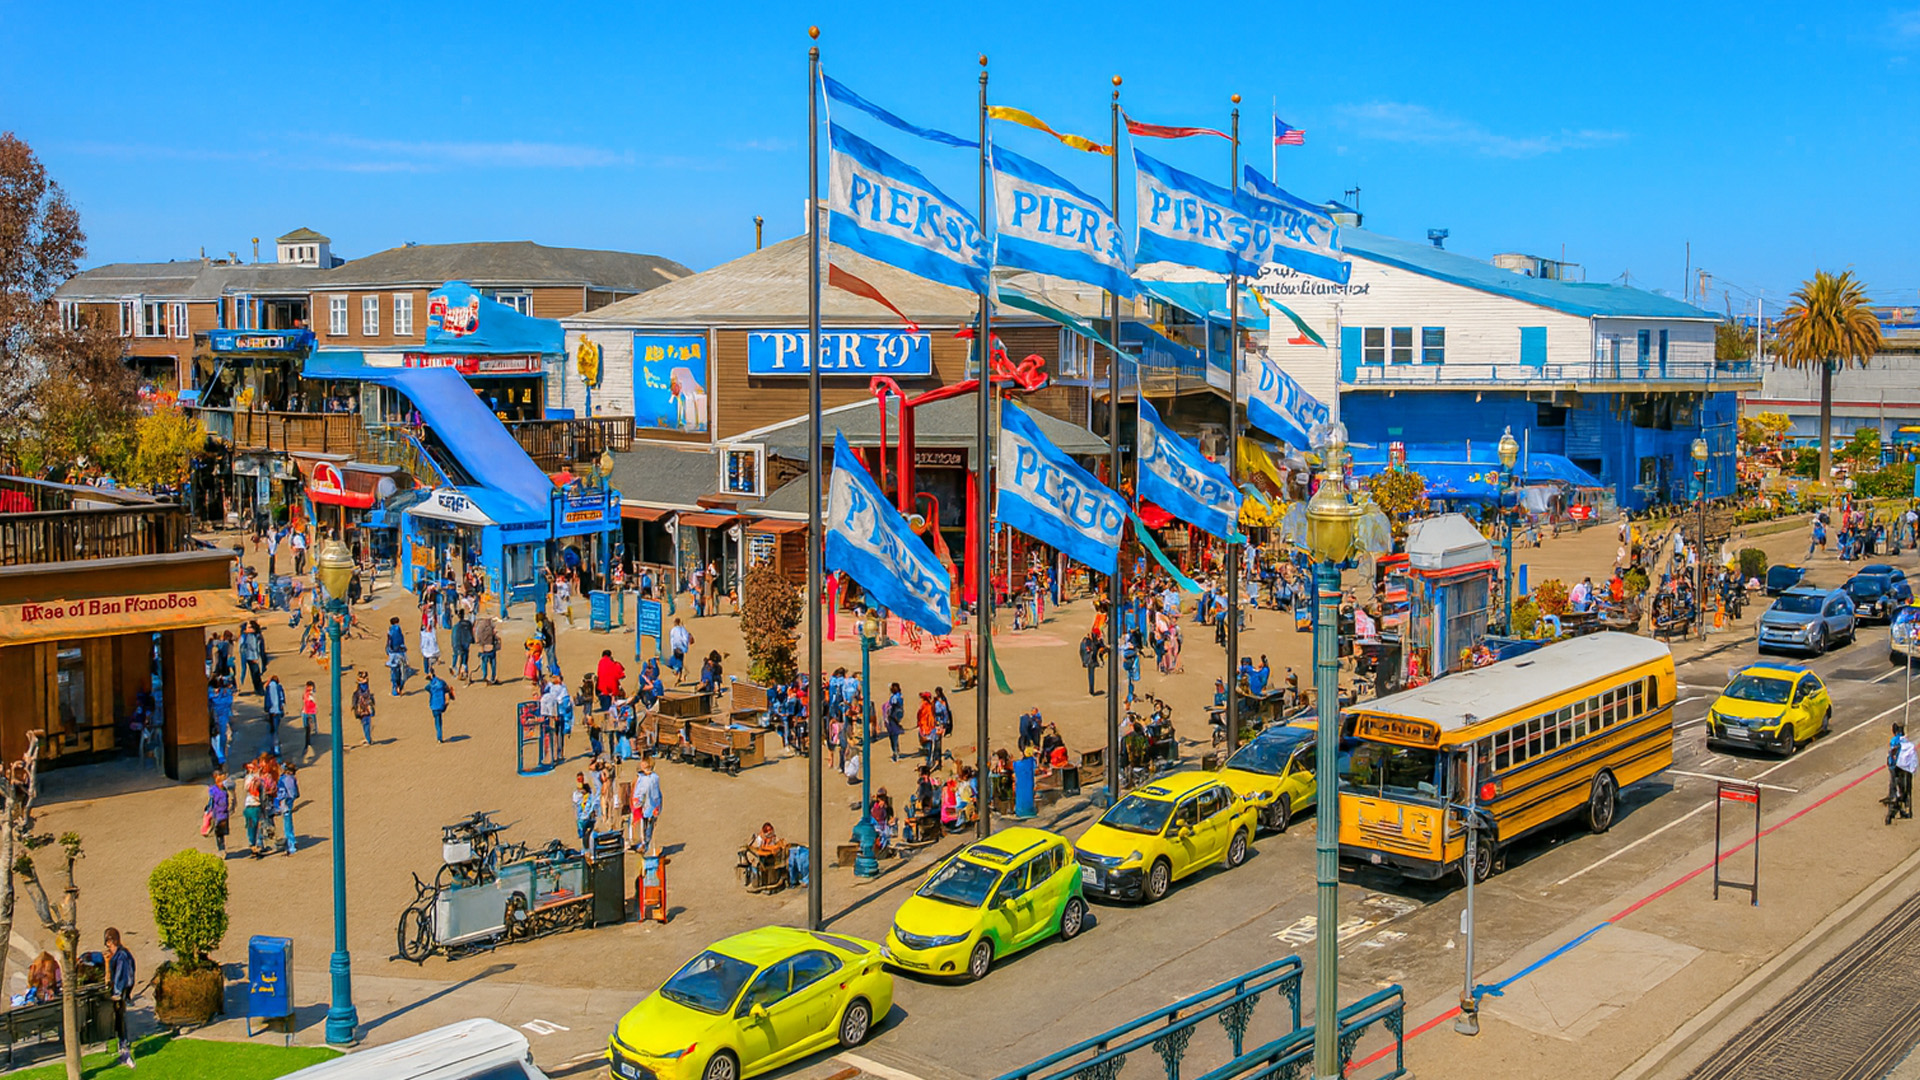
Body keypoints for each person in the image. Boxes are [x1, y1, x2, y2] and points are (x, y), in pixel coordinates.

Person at [105, 927, 135, 1066]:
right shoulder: (119, 954)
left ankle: (125, 1052)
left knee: (120, 1022)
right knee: (119, 1022)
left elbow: (121, 976)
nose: (109, 947)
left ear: (113, 941)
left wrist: (117, 992)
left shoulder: (121, 955)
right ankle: (123, 1050)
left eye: (109, 943)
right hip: (121, 992)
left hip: (120, 993)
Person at [630, 754, 662, 853]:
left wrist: (637, 800)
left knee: (647, 826)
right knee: (645, 826)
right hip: (648, 805)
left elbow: (645, 791)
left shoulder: (650, 778)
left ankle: (645, 844)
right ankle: (644, 843)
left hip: (650, 805)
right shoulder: (647, 777)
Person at [1889, 723, 1917, 823]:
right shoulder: (1907, 741)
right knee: (1907, 790)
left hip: (1897, 768)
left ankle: (1894, 811)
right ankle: (1906, 809)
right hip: (1908, 768)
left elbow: (1893, 752)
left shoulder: (1895, 741)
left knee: (1897, 789)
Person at [204, 768, 232, 856]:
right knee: (219, 833)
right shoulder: (213, 789)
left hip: (223, 814)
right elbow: (211, 801)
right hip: (217, 814)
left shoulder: (224, 788)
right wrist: (208, 810)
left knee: (221, 833)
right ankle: (221, 849)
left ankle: (222, 849)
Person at [426, 669, 454, 743]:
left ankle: (439, 737)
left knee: (437, 721)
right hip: (441, 703)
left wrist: (429, 680)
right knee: (439, 720)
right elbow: (446, 688)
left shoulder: (431, 684)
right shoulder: (441, 682)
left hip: (434, 704)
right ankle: (439, 737)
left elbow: (426, 688)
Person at [239, 621, 265, 695]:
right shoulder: (248, 636)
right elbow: (252, 647)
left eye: (250, 627)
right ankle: (259, 690)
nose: (249, 629)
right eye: (248, 627)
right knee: (255, 674)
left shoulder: (254, 635)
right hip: (251, 657)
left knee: (255, 674)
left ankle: (258, 690)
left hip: (252, 657)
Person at [262, 674, 286, 757]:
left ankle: (272, 748)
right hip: (278, 711)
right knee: (275, 731)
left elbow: (267, 699)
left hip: (271, 712)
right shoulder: (279, 687)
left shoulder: (268, 688)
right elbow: (282, 699)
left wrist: (266, 708)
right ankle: (276, 750)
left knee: (272, 731)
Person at [597, 650, 626, 715]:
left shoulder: (601, 662)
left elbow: (599, 673)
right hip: (612, 686)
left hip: (602, 686)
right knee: (614, 699)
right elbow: (621, 674)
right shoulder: (614, 664)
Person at [352, 670, 376, 747]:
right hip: (362, 708)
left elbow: (364, 694)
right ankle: (367, 738)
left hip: (365, 707)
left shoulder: (364, 687)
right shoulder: (360, 687)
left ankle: (368, 739)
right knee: (364, 723)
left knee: (366, 723)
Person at [473, 612, 499, 685]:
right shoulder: (491, 625)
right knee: (493, 663)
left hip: (483, 647)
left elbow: (477, 638)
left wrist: (480, 644)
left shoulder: (480, 626)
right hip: (491, 646)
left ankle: (484, 676)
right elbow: (494, 635)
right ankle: (493, 677)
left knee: (484, 662)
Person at [1079, 629, 1104, 695]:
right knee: (1091, 674)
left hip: (1093, 659)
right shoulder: (1087, 641)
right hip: (1090, 660)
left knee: (1091, 674)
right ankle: (1091, 690)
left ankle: (1091, 690)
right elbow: (1083, 651)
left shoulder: (1096, 641)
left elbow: (1102, 647)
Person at [668, 618, 692, 684]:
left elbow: (672, 640)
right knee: (680, 661)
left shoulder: (673, 630)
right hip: (681, 647)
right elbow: (685, 638)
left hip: (676, 648)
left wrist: (672, 648)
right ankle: (680, 675)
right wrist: (685, 647)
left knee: (677, 661)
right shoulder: (682, 629)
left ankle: (678, 674)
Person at [300, 680, 318, 756]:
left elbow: (314, 701)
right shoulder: (306, 693)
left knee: (309, 727)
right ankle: (308, 740)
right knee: (306, 727)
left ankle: (308, 741)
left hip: (311, 712)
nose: (309, 687)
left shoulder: (312, 694)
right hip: (305, 711)